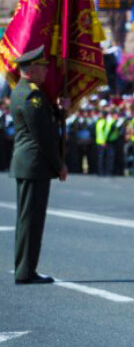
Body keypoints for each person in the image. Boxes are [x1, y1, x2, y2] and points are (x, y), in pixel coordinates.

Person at [9, 46, 68, 284]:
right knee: (31, 221)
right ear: (31, 70)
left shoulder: (24, 92)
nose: (46, 71)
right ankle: (26, 271)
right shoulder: (31, 96)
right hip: (34, 164)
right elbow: (43, 135)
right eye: (42, 67)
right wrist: (59, 164)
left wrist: (61, 112)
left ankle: (25, 269)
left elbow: (48, 121)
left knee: (28, 220)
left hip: (29, 164)